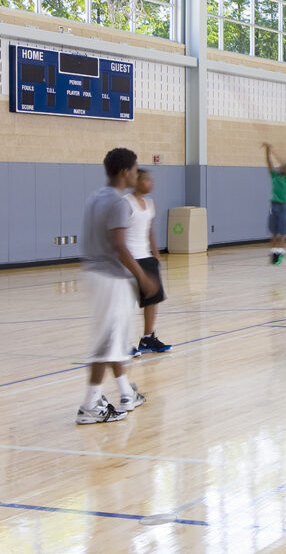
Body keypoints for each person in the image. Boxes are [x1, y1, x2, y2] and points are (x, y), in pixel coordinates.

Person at [76, 147, 157, 425]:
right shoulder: (119, 203)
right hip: (111, 277)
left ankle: (125, 393)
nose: (137, 174)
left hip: (95, 274)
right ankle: (90, 404)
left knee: (116, 339)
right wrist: (142, 276)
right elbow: (120, 246)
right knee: (107, 341)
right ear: (126, 172)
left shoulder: (95, 198)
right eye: (135, 170)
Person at [126, 169, 170, 355]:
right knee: (127, 302)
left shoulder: (151, 204)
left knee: (153, 298)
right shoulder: (126, 203)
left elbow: (149, 230)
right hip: (130, 258)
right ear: (136, 181)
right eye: (146, 179)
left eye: (151, 179)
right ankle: (123, 342)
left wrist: (156, 253)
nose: (150, 183)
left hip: (146, 257)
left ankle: (147, 338)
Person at [263, 142, 286, 265]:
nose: (281, 167)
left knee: (283, 232)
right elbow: (269, 163)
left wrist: (274, 151)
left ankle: (280, 252)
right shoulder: (274, 176)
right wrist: (267, 151)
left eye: (283, 167)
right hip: (273, 206)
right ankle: (273, 252)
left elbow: (285, 165)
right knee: (273, 231)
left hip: (283, 207)